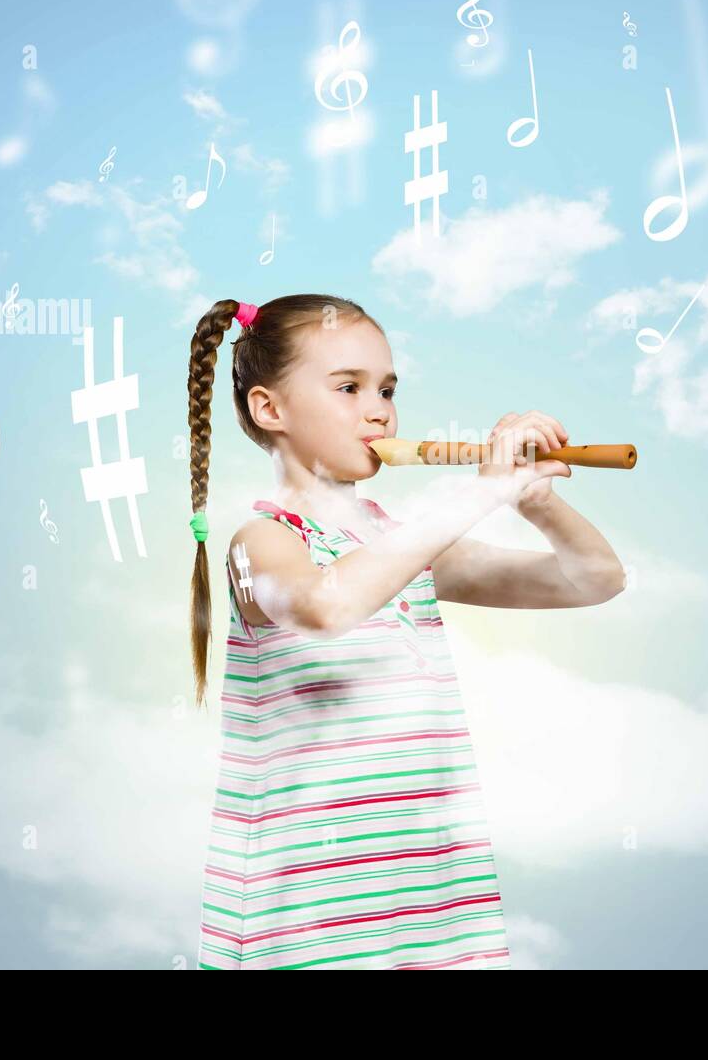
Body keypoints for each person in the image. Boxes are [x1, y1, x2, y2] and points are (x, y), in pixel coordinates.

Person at [187, 294, 625, 969]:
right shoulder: (260, 544)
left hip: (432, 904)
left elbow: (593, 579)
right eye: (348, 387)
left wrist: (537, 501)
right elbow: (324, 607)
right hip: (305, 917)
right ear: (270, 409)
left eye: (387, 389)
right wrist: (479, 493)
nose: (379, 410)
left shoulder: (402, 548)